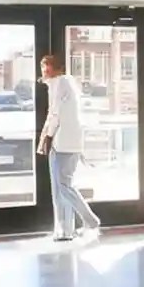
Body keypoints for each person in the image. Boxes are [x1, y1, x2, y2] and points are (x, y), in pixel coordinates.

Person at [38, 54, 100, 242]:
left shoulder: (60, 84)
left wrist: (46, 138)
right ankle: (65, 230)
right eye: (43, 69)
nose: (44, 72)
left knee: (63, 186)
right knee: (59, 188)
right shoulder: (67, 83)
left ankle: (90, 221)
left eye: (47, 68)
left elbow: (54, 114)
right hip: (67, 142)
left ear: (57, 69)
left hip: (63, 142)